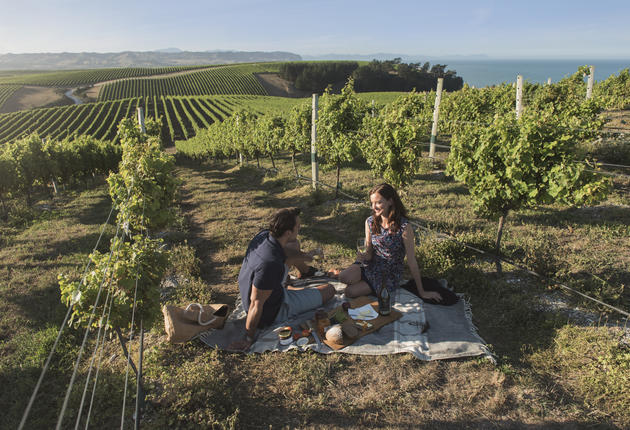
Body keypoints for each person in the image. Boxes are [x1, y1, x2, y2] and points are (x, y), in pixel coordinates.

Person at [229, 207, 335, 351]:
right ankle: (291, 291)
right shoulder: (270, 264)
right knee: (329, 290)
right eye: (298, 226)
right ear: (288, 232)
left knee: (294, 246)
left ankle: (297, 280)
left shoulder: (264, 236)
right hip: (272, 310)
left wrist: (306, 256)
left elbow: (287, 251)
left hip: (260, 289)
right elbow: (256, 304)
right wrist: (248, 337)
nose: (300, 228)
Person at [339, 183, 448, 303]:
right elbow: (369, 253)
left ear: (390, 201)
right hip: (370, 264)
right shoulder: (370, 222)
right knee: (343, 277)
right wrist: (363, 256)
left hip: (388, 272)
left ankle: (368, 284)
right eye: (372, 203)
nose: (374, 207)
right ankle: (365, 282)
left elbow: (412, 261)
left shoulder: (404, 227)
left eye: (378, 202)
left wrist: (422, 291)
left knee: (349, 292)